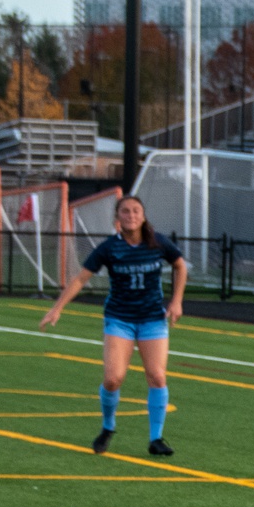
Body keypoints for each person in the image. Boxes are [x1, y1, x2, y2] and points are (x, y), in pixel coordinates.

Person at [42, 195, 186, 456]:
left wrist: (176, 301)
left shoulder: (158, 242)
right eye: (125, 211)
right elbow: (80, 278)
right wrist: (57, 308)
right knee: (113, 378)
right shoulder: (109, 248)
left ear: (143, 216)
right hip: (120, 318)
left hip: (152, 319)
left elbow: (179, 265)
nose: (131, 215)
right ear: (117, 218)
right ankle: (108, 426)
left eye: (136, 211)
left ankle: (156, 439)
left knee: (157, 375)